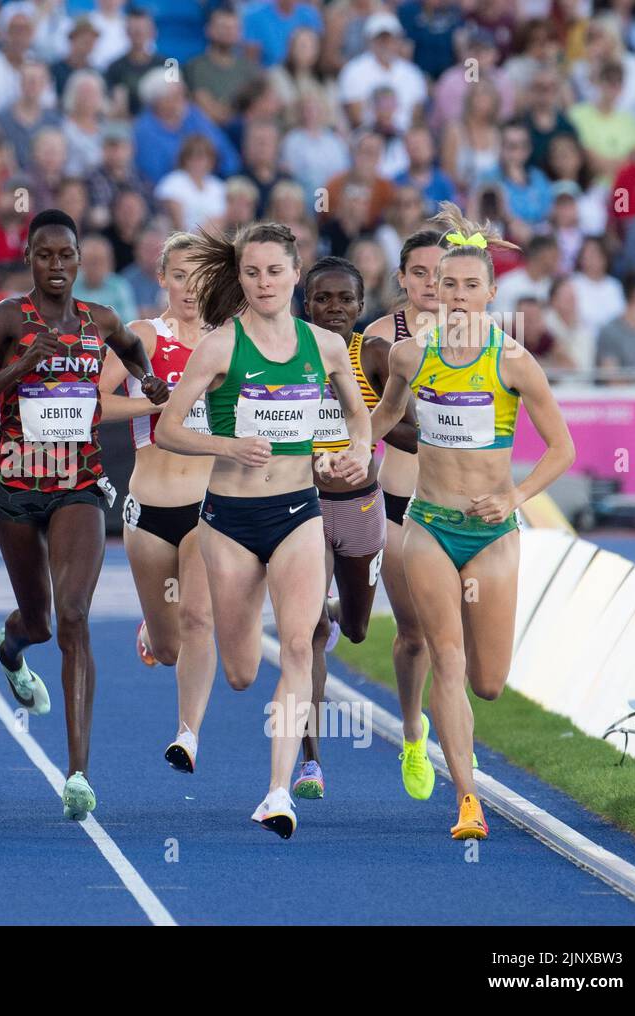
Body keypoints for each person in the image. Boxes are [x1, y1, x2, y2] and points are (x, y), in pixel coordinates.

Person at [0, 209, 169, 820]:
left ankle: (78, 773)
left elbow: (134, 351)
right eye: (44, 255)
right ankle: (11, 648)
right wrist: (20, 365)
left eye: (65, 256)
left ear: (77, 261)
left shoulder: (100, 322)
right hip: (17, 485)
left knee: (74, 616)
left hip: (80, 484)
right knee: (40, 623)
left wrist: (148, 383)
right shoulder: (5, 320)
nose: (56, 266)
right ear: (29, 260)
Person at [155, 221, 371, 839]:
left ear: (295, 275)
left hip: (299, 513)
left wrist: (356, 452)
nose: (263, 282)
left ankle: (278, 792)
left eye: (275, 271)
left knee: (300, 646)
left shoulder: (324, 347)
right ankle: (200, 718)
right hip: (229, 518)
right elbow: (170, 429)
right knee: (242, 670)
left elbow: (359, 417)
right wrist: (228, 444)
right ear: (241, 277)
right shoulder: (220, 347)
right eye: (252, 273)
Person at [369, 203, 575, 839]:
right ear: (432, 290)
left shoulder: (513, 362)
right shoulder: (409, 356)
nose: (454, 296)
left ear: (491, 292)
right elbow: (384, 420)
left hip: (491, 535)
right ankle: (467, 798)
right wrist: (345, 448)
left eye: (467, 286)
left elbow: (562, 450)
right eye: (445, 285)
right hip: (428, 524)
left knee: (487, 682)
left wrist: (513, 499)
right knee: (446, 659)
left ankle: (459, 739)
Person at [97, 232, 217, 772]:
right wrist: (151, 402)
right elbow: (95, 402)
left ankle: (187, 734)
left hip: (208, 507)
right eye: (179, 276)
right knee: (169, 646)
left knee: (198, 619)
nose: (190, 288)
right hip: (148, 507)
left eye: (201, 276)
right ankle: (152, 630)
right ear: (161, 278)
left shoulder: (229, 341)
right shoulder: (142, 336)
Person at [298, 255, 417, 799]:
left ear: (360, 306)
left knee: (357, 629)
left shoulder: (372, 355)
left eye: (345, 299)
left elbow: (411, 432)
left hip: (361, 508)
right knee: (309, 637)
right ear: (305, 303)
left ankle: (329, 605)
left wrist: (365, 438)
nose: (334, 308)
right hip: (300, 506)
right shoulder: (287, 352)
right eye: (322, 298)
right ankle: (310, 761)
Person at [361, 228, 444, 797]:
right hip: (396, 500)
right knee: (414, 633)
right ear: (402, 278)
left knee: (452, 638)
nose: (432, 284)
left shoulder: (479, 336)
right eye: (419, 273)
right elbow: (378, 424)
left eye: (442, 273)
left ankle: (457, 746)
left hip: (455, 503)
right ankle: (414, 732)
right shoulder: (375, 340)